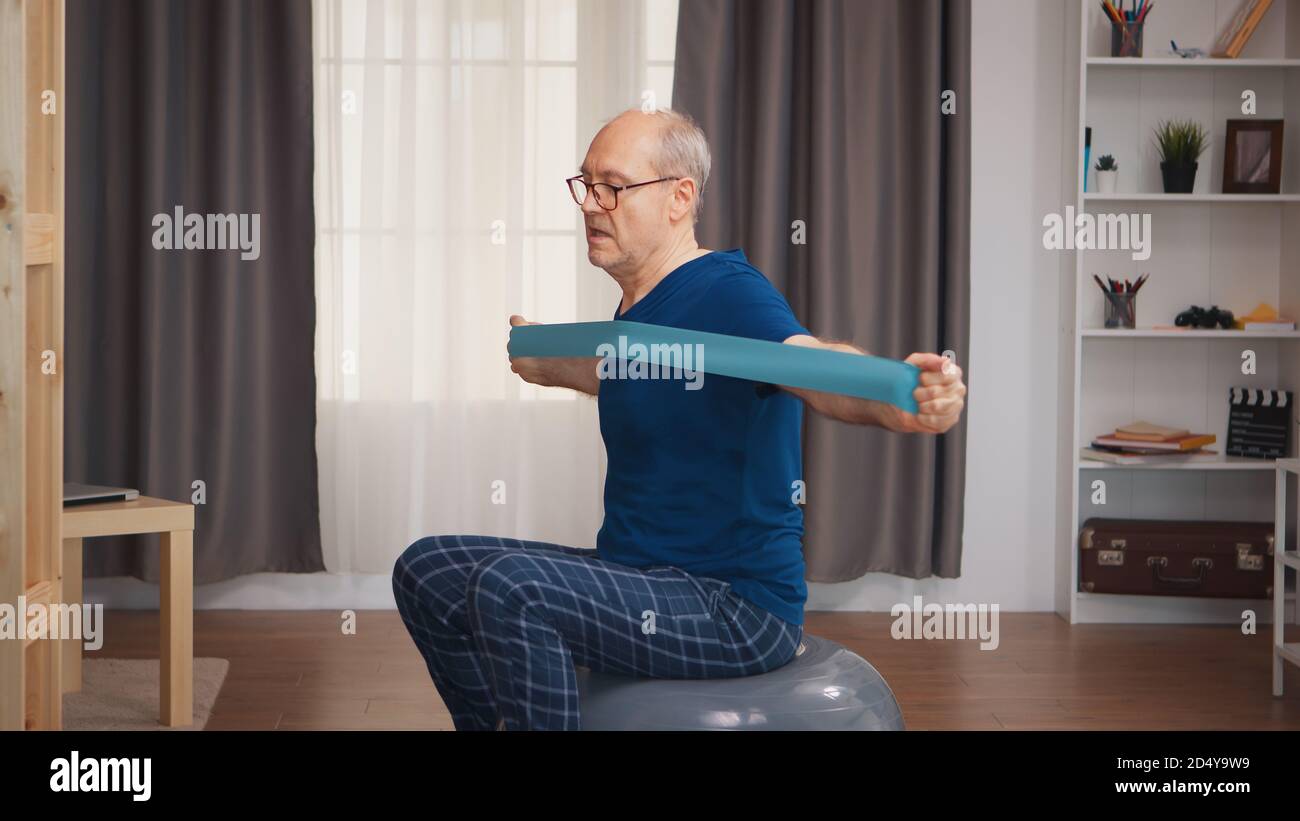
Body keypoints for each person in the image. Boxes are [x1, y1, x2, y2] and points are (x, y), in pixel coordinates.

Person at [393, 108, 966, 730]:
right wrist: (554, 362)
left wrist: (897, 393)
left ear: (679, 196)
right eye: (585, 184)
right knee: (428, 569)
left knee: (513, 588)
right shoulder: (639, 313)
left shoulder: (725, 291)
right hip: (640, 579)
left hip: (732, 606)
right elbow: (651, 377)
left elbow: (807, 366)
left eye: (612, 185)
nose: (590, 204)